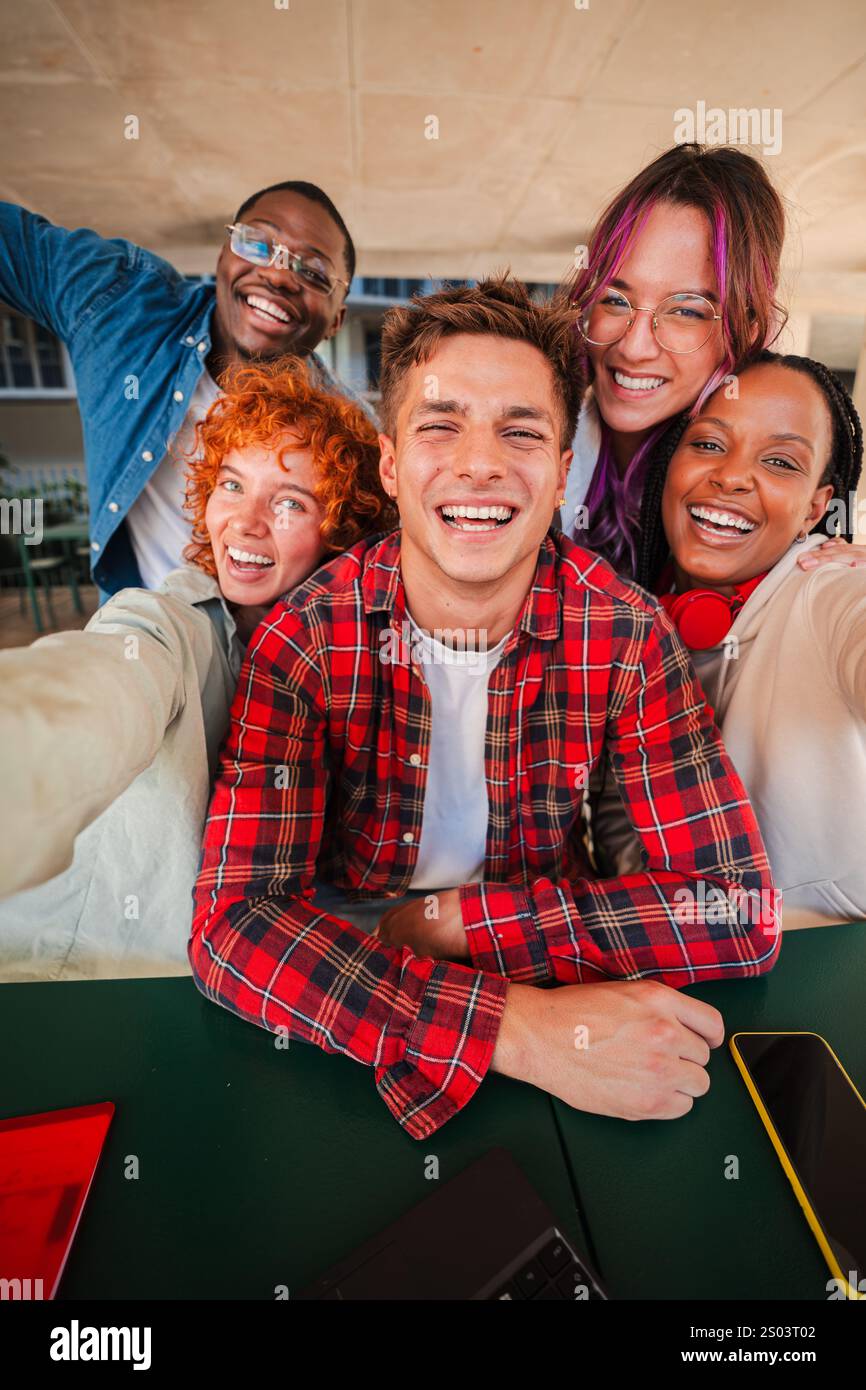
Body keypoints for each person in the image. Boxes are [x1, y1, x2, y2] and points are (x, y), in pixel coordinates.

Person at [190, 276, 779, 1142]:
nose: (479, 463)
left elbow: (736, 910)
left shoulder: (624, 633)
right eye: (440, 425)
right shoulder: (302, 641)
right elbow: (236, 925)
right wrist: (518, 1031)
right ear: (392, 464)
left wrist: (455, 920)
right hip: (355, 969)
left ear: (561, 473)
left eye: (520, 430)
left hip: (542, 946)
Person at [0, 358, 396, 980]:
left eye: (289, 501)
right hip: (61, 979)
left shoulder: (331, 662)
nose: (244, 521)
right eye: (231, 485)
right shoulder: (166, 624)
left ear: (338, 531)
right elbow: (101, 684)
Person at [591, 353, 865, 931]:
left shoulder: (829, 591)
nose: (733, 476)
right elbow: (620, 841)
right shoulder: (634, 624)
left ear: (817, 506)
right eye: (710, 445)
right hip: (675, 984)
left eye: (780, 462)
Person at [0, 181, 372, 598]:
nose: (277, 274)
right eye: (257, 243)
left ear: (337, 320)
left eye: (314, 272)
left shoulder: (355, 439)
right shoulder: (120, 304)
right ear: (223, 253)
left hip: (279, 655)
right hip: (143, 646)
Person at [558, 143, 866, 578]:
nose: (635, 347)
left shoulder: (766, 513)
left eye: (686, 310)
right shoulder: (534, 442)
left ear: (749, 326)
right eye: (615, 299)